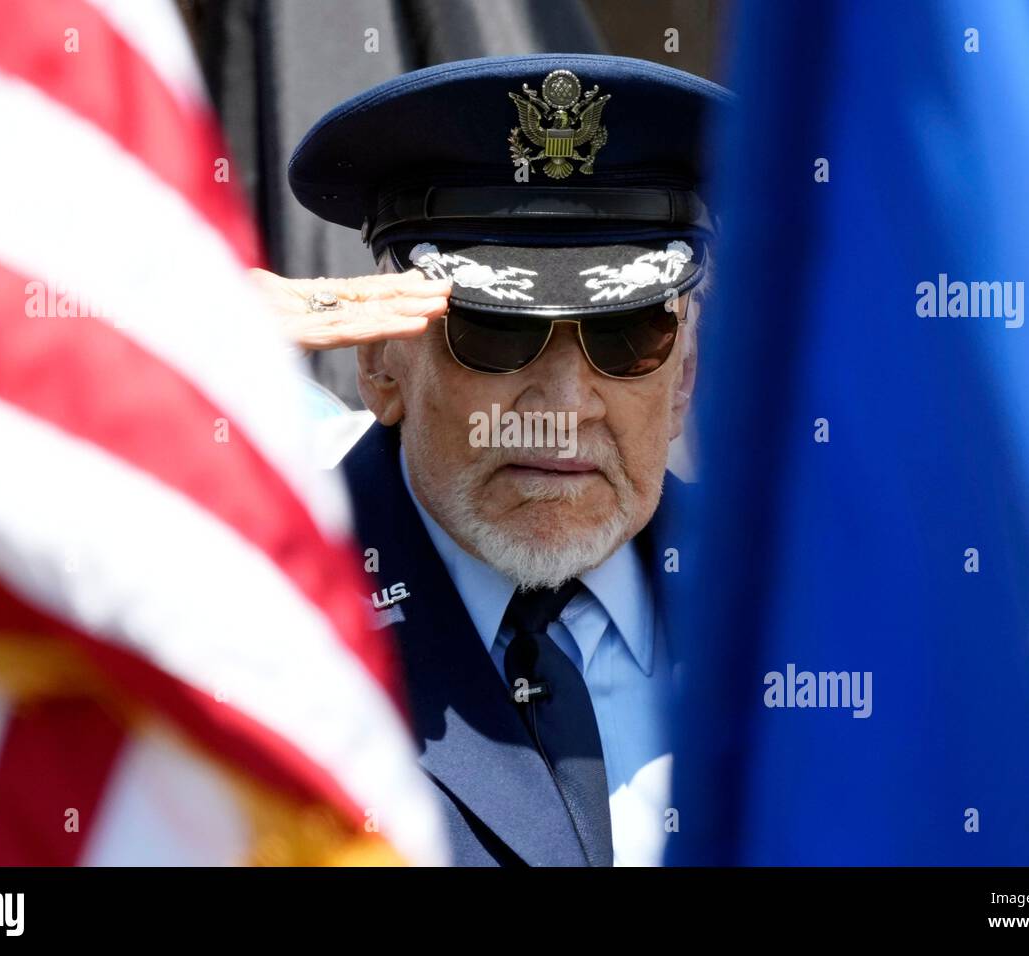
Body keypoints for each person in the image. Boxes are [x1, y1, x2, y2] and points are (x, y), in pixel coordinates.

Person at [288, 53, 729, 866]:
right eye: (496, 332)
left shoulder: (797, 613)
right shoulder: (255, 615)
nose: (564, 408)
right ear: (383, 362)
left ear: (684, 379)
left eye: (629, 335)